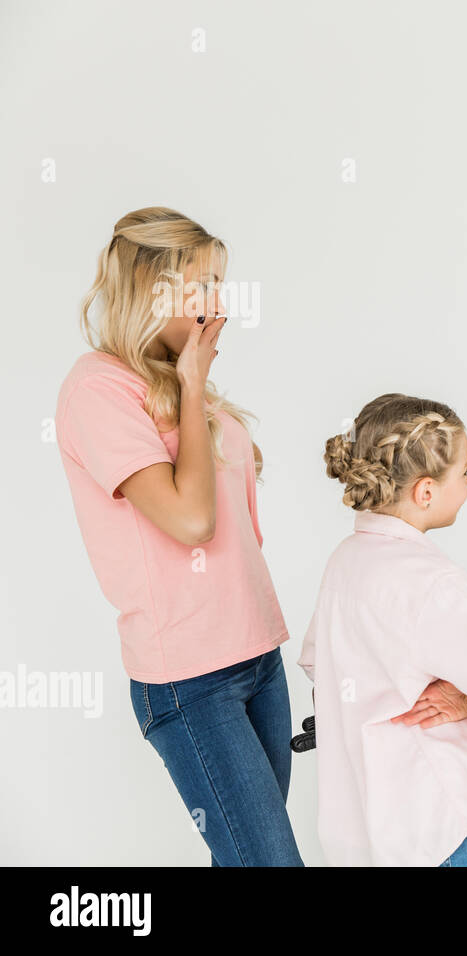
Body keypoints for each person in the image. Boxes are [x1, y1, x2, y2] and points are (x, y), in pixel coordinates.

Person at [55, 207, 302, 866]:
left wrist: (190, 385)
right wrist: (192, 384)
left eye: (220, 284)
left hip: (258, 653)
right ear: (150, 290)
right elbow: (193, 521)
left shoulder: (174, 381)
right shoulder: (98, 389)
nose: (219, 305)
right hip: (191, 679)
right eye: (203, 286)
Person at [299, 394, 467, 866]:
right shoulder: (435, 582)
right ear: (426, 492)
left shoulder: (345, 560)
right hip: (446, 831)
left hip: (372, 834)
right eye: (465, 471)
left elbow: (318, 663)